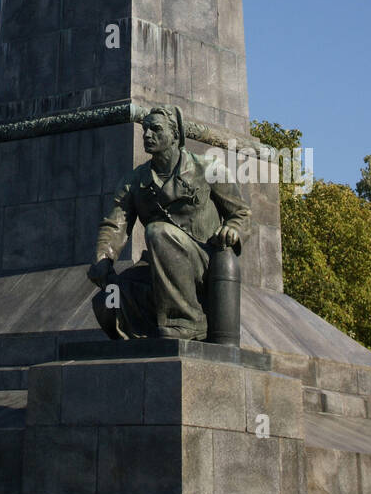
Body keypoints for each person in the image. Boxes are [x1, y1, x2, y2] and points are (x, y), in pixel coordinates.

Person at [87, 105, 250, 341]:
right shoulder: (134, 181)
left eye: (156, 129)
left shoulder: (209, 169)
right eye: (145, 129)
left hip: (203, 261)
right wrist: (103, 259)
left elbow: (242, 214)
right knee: (109, 301)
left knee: (158, 230)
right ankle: (147, 338)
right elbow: (115, 226)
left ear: (175, 135)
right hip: (158, 266)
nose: (147, 135)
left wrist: (232, 229)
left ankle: (187, 322)